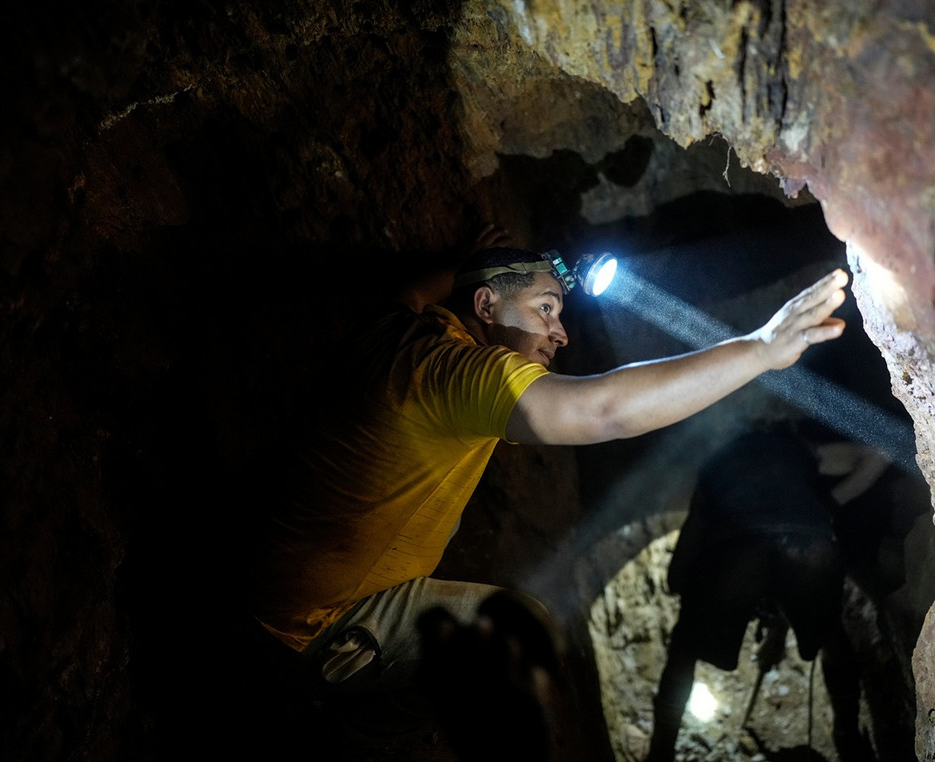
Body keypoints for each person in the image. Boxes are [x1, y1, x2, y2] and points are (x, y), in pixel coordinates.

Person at [242, 233, 849, 735]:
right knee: (519, 628)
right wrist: (760, 349)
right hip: (306, 630)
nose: (561, 334)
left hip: (262, 579)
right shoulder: (461, 375)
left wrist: (476, 255)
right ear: (484, 307)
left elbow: (409, 291)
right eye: (546, 309)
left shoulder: (400, 330)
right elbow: (605, 411)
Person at [645, 422, 875, 762]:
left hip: (739, 551)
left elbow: (680, 572)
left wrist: (685, 588)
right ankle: (848, 736)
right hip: (810, 543)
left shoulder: (718, 461)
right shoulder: (800, 450)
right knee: (831, 637)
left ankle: (660, 754)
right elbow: (877, 452)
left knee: (685, 645)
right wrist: (828, 506)